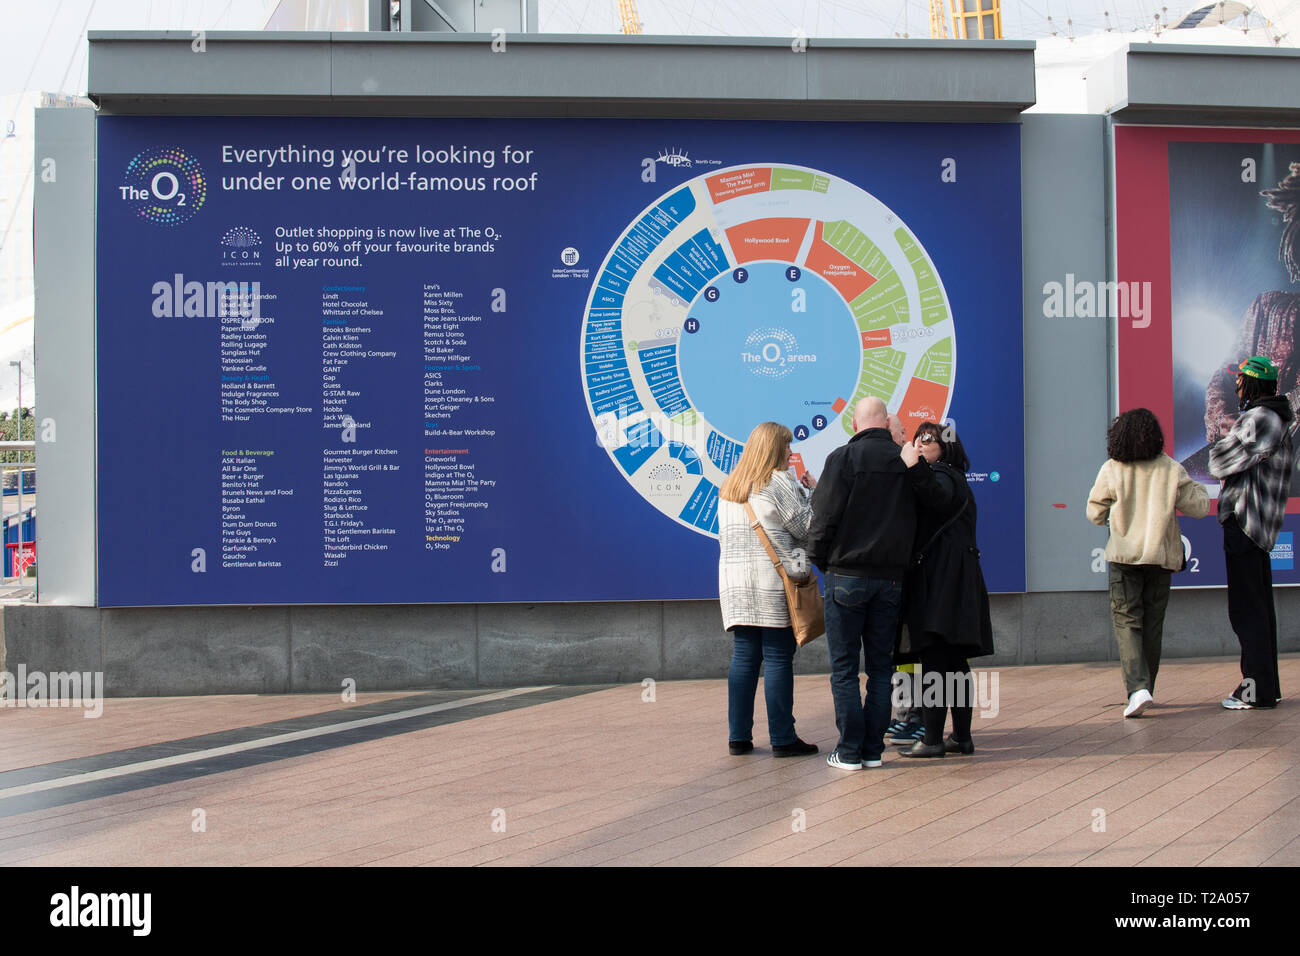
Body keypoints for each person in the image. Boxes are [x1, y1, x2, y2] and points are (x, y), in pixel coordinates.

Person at [807, 397, 944, 770]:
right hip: (891, 580)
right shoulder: (906, 462)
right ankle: (871, 751)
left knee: (845, 668)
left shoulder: (841, 460)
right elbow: (928, 511)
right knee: (882, 668)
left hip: (846, 577)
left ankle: (850, 751)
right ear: (885, 424)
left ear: (855, 424)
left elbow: (822, 520)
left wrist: (823, 562)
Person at [1086, 409, 1210, 718]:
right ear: (1155, 436)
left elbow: (1094, 512)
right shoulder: (1170, 468)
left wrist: (1114, 517)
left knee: (1127, 621)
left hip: (1124, 557)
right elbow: (1199, 506)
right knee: (1153, 625)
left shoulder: (1112, 469)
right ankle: (1146, 688)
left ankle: (1137, 689)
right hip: (1160, 557)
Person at [717, 421, 820, 756]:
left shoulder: (730, 487)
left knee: (744, 657)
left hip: (734, 586)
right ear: (775, 449)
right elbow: (806, 529)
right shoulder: (777, 481)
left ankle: (738, 737)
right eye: (787, 446)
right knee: (777, 656)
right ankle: (782, 738)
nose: (791, 452)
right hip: (771, 583)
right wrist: (812, 493)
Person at [896, 421, 995, 757]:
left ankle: (933, 739)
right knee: (955, 661)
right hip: (956, 579)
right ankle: (961, 737)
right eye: (917, 440)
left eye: (929, 441)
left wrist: (913, 464)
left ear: (945, 447)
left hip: (942, 581)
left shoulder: (942, 474)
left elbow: (935, 497)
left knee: (935, 658)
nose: (920, 445)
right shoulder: (953, 476)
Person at [1210, 356, 1295, 710]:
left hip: (1246, 525)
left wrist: (1226, 440)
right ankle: (1267, 687)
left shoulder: (1260, 419)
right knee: (1257, 611)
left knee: (1247, 612)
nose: (1237, 386)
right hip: (1257, 529)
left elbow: (1218, 461)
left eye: (1242, 380)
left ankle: (1255, 691)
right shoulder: (1278, 419)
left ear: (1253, 382)